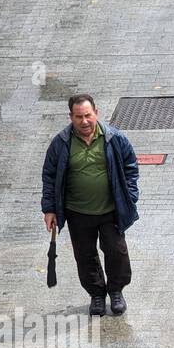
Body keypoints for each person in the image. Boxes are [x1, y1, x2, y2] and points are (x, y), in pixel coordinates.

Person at [41, 94, 139, 317]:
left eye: (88, 115)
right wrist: (49, 209)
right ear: (71, 117)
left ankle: (116, 292)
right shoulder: (61, 143)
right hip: (78, 212)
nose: (84, 121)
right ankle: (96, 295)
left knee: (117, 252)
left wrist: (129, 197)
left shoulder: (114, 139)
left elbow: (131, 167)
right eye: (78, 117)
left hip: (111, 210)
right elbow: (49, 176)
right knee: (85, 256)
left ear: (96, 113)